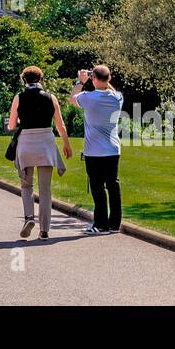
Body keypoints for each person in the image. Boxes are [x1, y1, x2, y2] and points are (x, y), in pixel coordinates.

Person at [9, 66, 72, 240]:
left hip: (26, 144)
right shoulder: (51, 98)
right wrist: (66, 144)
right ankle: (44, 230)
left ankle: (29, 217)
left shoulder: (19, 97)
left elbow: (12, 125)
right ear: (41, 79)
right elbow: (60, 124)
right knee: (45, 189)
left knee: (26, 185)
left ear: (24, 80)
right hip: (46, 143)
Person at [73, 65, 124, 234]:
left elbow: (73, 98)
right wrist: (103, 79)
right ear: (109, 79)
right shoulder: (117, 98)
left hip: (94, 151)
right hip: (113, 149)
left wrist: (81, 81)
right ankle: (114, 224)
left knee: (97, 187)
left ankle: (101, 224)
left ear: (93, 79)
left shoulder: (88, 97)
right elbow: (111, 89)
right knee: (113, 185)